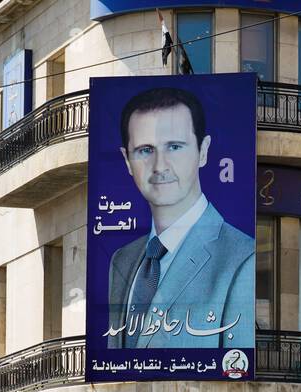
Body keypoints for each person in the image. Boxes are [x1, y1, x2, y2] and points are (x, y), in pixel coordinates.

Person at [106, 86, 255, 350]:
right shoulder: (123, 260)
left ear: (203, 150)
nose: (160, 165)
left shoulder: (242, 259)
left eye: (174, 146)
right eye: (144, 150)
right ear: (127, 161)